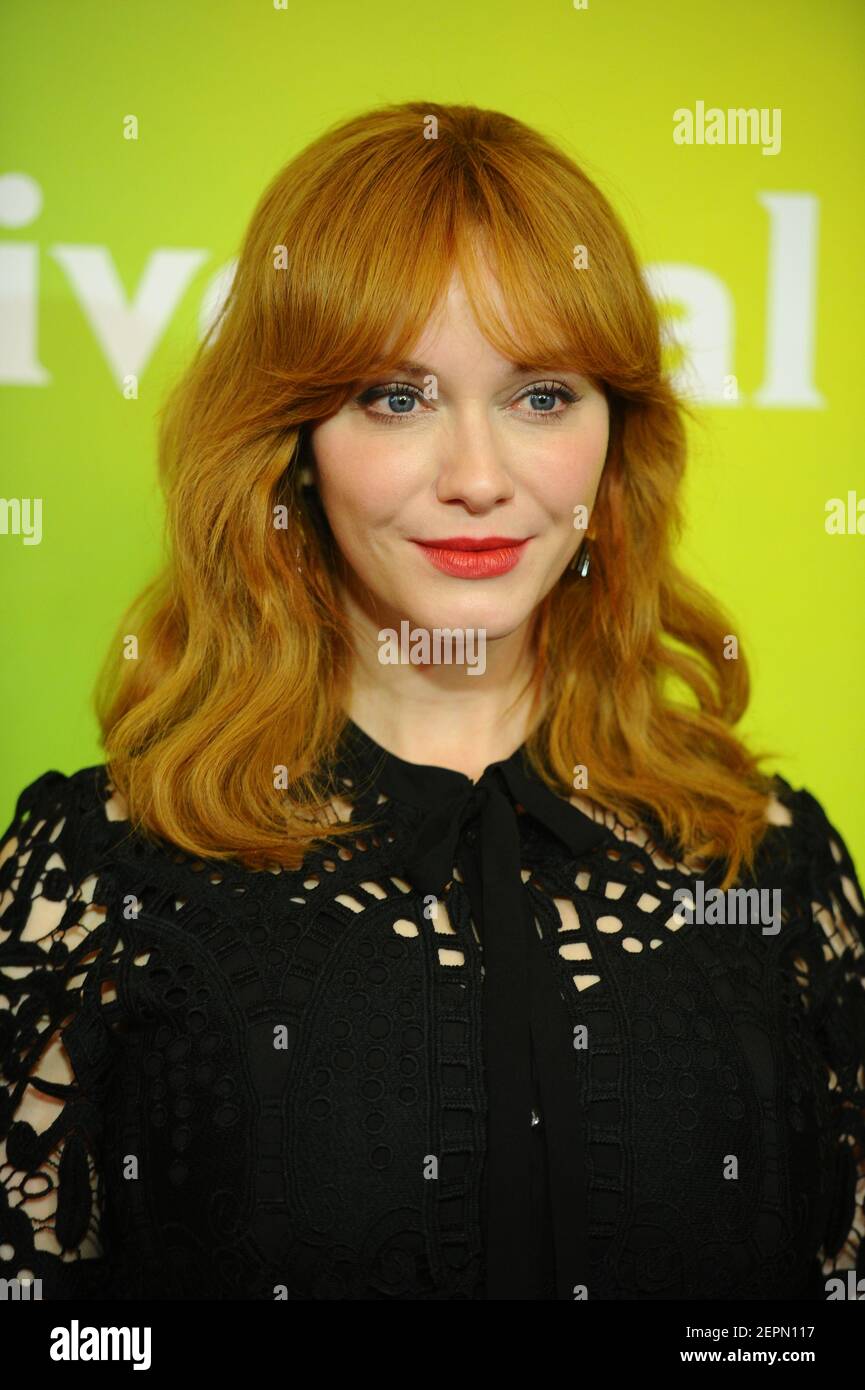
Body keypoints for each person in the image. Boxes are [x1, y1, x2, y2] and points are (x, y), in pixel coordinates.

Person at [1, 101, 863, 1302]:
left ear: (617, 447)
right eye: (394, 398)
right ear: (290, 445)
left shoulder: (774, 870)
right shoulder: (103, 873)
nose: (476, 478)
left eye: (542, 395)